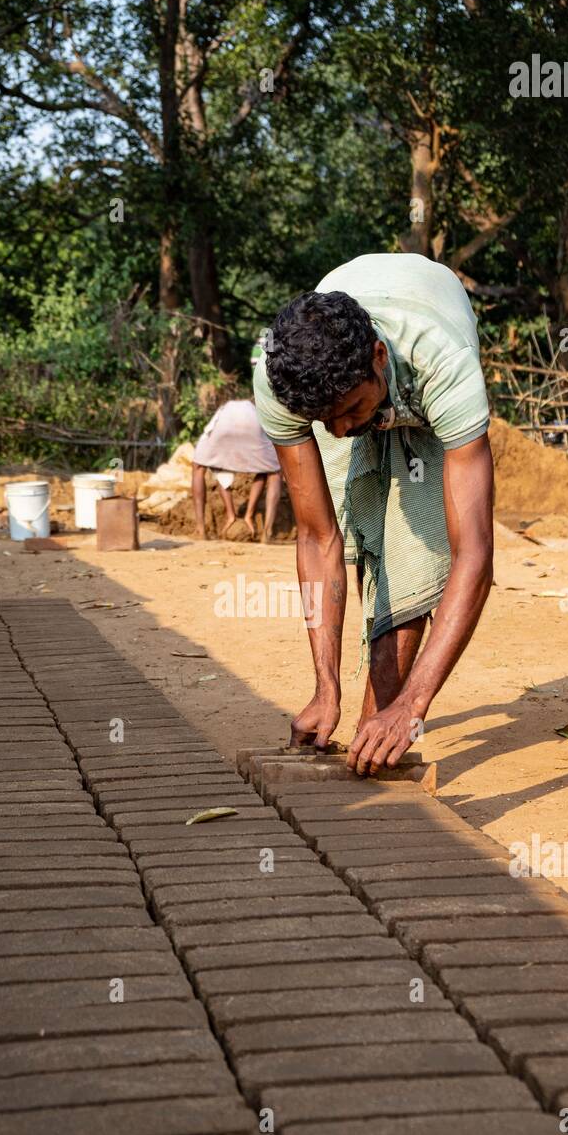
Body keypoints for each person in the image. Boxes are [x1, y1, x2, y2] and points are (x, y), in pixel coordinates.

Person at [253, 252, 494, 775]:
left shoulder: (445, 366)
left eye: (352, 412)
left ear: (379, 357)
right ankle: (355, 714)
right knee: (361, 532)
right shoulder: (282, 380)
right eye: (325, 420)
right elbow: (318, 540)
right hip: (346, 369)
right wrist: (325, 685)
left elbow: (474, 555)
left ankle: (382, 721)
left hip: (425, 369)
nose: (339, 431)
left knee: (412, 558)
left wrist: (410, 709)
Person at [191, 393, 282, 541]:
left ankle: (204, 528)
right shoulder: (255, 398)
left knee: (199, 465)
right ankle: (265, 530)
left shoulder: (224, 402)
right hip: (253, 422)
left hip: (224, 425)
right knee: (273, 471)